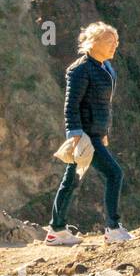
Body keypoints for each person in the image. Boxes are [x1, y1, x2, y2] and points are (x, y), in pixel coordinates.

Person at [46, 23, 132, 246]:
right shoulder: (80, 69)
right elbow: (71, 105)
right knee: (114, 174)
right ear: (94, 42)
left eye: (116, 41)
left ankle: (57, 230)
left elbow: (104, 105)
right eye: (110, 41)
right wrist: (75, 134)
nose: (115, 45)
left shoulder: (106, 68)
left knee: (71, 179)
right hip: (84, 136)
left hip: (95, 133)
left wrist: (104, 133)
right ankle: (113, 229)